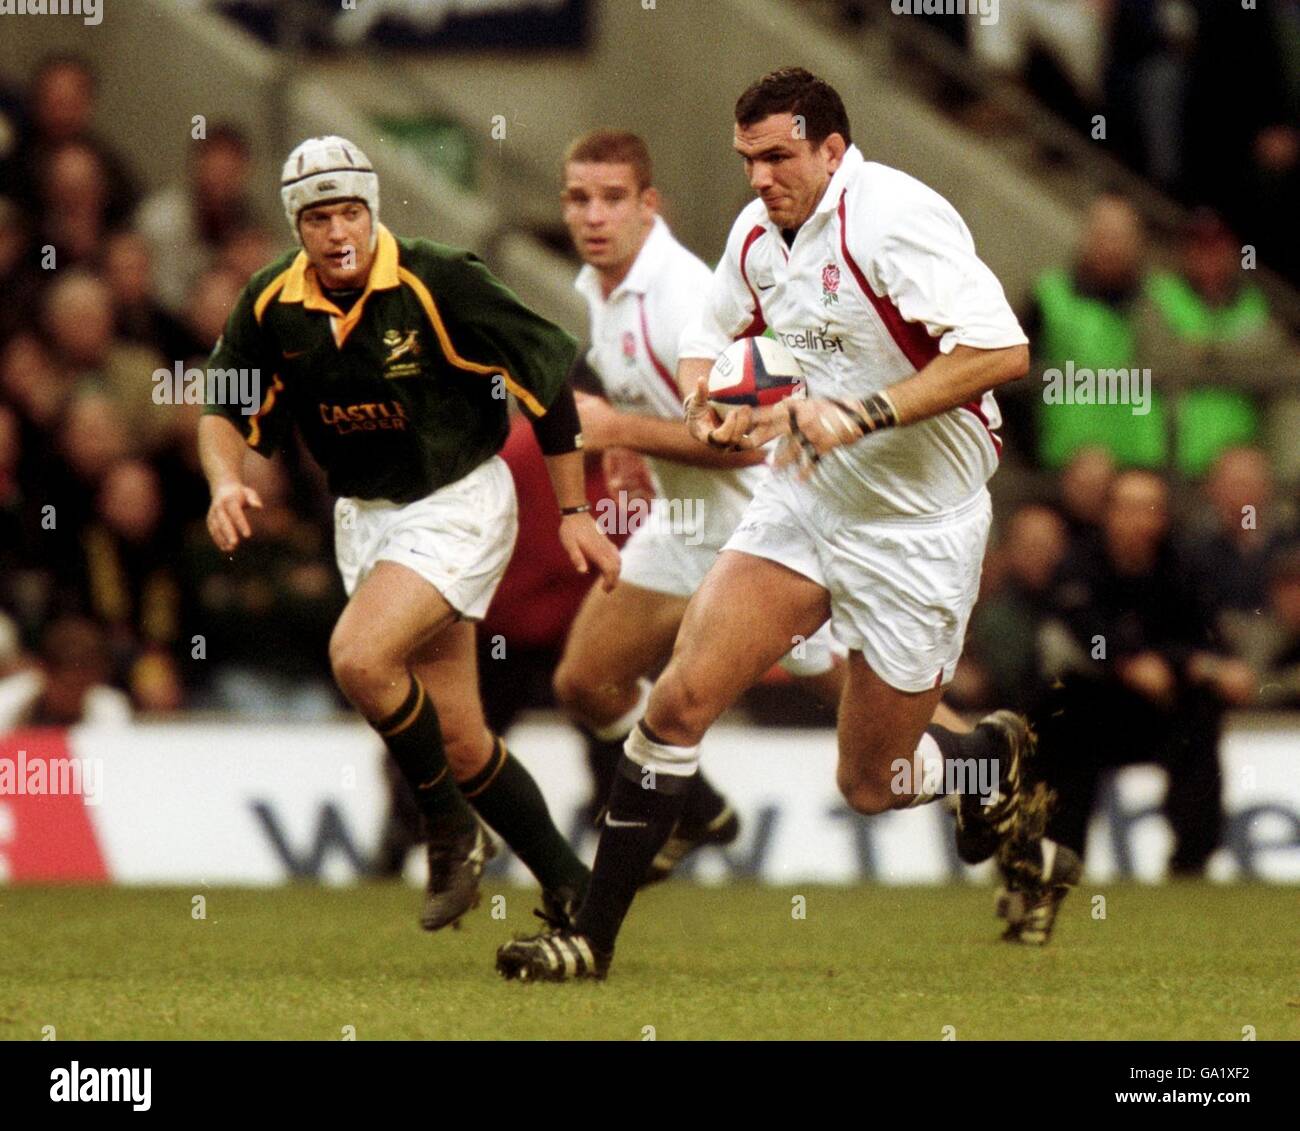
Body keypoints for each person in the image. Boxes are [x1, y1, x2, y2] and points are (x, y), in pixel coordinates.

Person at [498, 68, 1035, 982]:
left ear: (833, 149)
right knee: (676, 700)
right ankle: (589, 939)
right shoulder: (757, 232)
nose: (759, 176)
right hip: (808, 498)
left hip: (919, 525)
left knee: (871, 784)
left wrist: (863, 412)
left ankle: (986, 755)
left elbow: (1003, 351)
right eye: (748, 158)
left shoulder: (895, 219)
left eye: (779, 156)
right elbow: (713, 340)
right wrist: (712, 408)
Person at [197, 136, 620, 931]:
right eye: (318, 216)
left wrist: (571, 511)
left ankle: (449, 829)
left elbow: (550, 379)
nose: (337, 231)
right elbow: (222, 407)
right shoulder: (269, 302)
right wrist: (225, 479)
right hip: (366, 518)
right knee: (461, 739)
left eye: (350, 210)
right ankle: (574, 888)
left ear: (373, 211)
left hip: (458, 499)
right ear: (298, 226)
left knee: (358, 656)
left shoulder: (439, 277)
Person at [552, 129, 855, 881]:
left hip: (763, 525)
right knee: (586, 681)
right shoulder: (601, 288)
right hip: (685, 520)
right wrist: (629, 445)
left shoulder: (679, 294)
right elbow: (653, 396)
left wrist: (618, 429)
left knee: (865, 708)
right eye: (578, 198)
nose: (594, 216)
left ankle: (991, 782)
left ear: (649, 205)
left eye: (613, 198)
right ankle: (700, 811)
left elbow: (750, 437)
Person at [997, 471, 1257, 945]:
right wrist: (1127, 661)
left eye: (1150, 508)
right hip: (1086, 705)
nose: (1140, 519)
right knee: (1058, 727)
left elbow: (1203, 636)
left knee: (1200, 720)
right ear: (1108, 514)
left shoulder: (1181, 566)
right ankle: (1048, 870)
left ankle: (1191, 865)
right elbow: (1085, 632)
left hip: (1157, 706)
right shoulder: (1077, 565)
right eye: (1128, 507)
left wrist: (1184, 664)